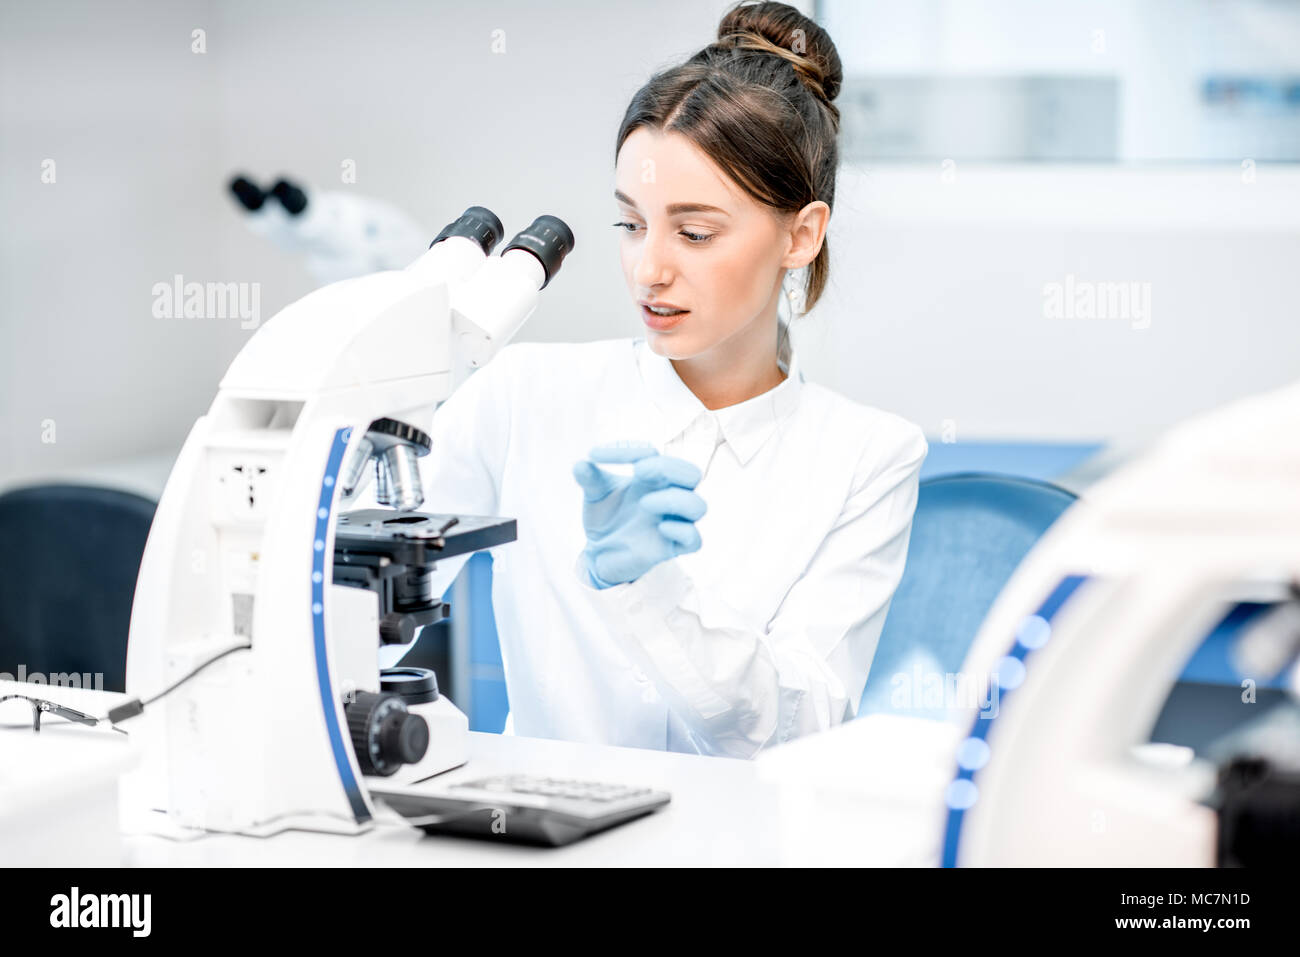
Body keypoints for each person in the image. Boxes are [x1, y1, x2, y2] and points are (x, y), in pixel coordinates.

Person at [417, 1, 928, 759]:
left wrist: (656, 595)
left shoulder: (868, 457)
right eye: (632, 224)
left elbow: (798, 730)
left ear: (801, 233)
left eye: (694, 232)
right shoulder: (521, 393)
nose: (649, 268)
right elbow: (360, 610)